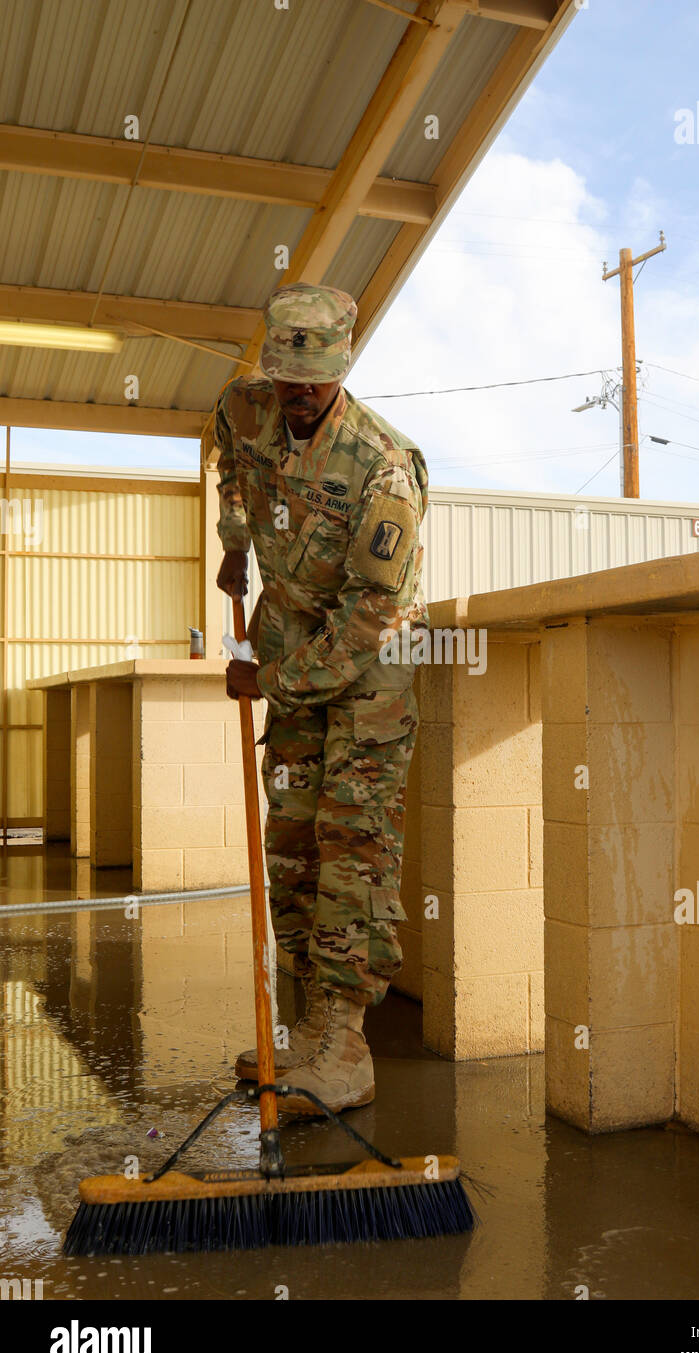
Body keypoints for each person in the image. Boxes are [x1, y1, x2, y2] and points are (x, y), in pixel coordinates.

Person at [214, 282, 427, 1115]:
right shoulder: (244, 407)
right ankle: (307, 1030)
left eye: (314, 380)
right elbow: (230, 464)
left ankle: (346, 1048)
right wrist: (236, 543)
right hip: (292, 646)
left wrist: (267, 680)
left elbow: (370, 618)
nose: (299, 394)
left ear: (343, 364)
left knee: (351, 849)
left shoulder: (385, 469)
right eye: (287, 376)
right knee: (292, 844)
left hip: (366, 674)